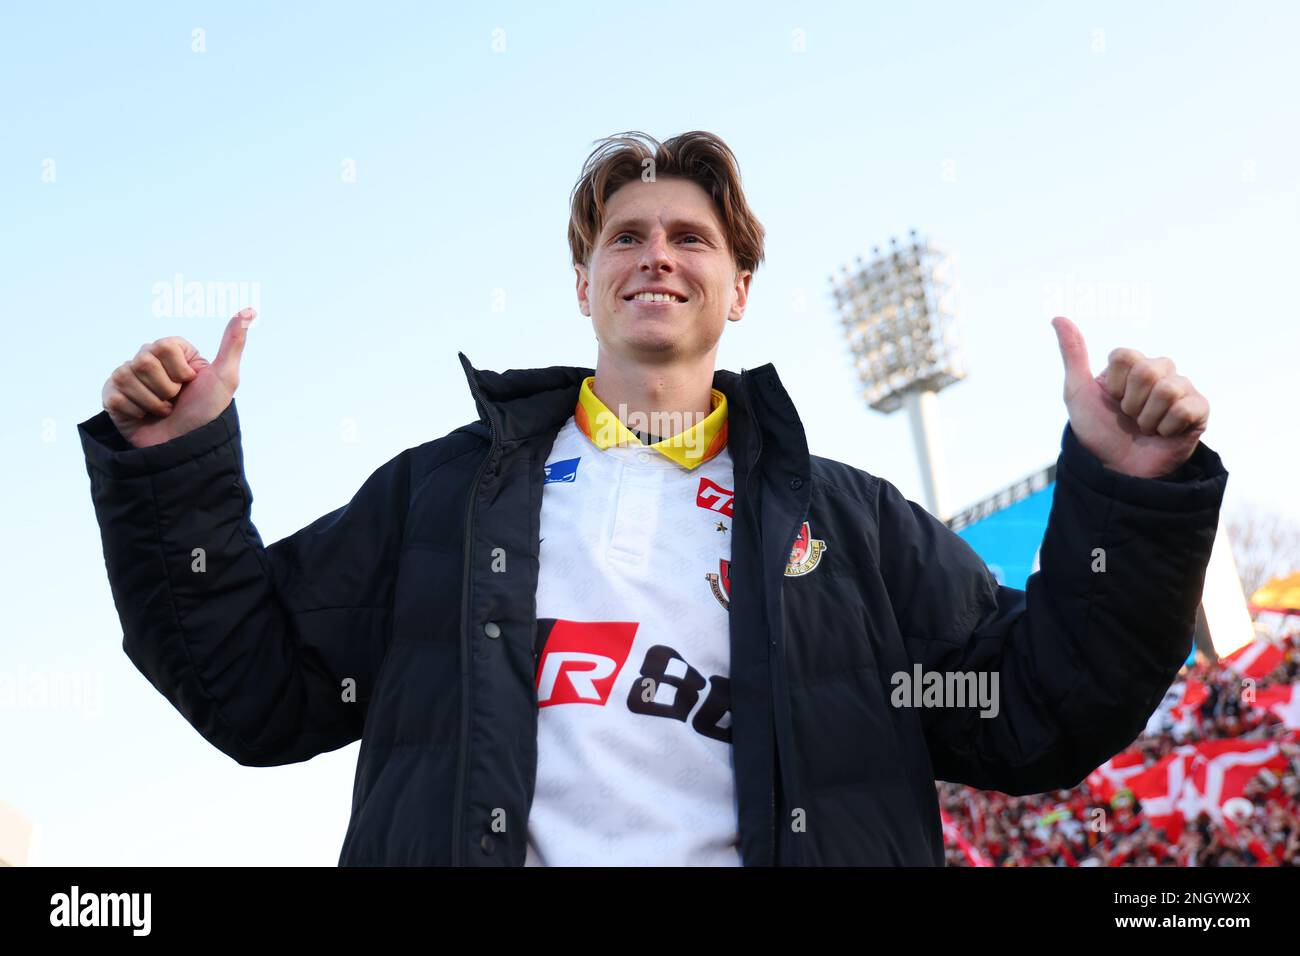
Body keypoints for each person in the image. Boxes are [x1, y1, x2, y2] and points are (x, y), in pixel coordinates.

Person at [78, 130, 1228, 866]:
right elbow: (255, 689)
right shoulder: (442, 495)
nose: (656, 254)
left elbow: (1039, 705)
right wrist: (173, 472)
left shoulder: (857, 525)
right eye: (625, 235)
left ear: (737, 285)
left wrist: (1127, 501)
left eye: (690, 235)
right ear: (582, 281)